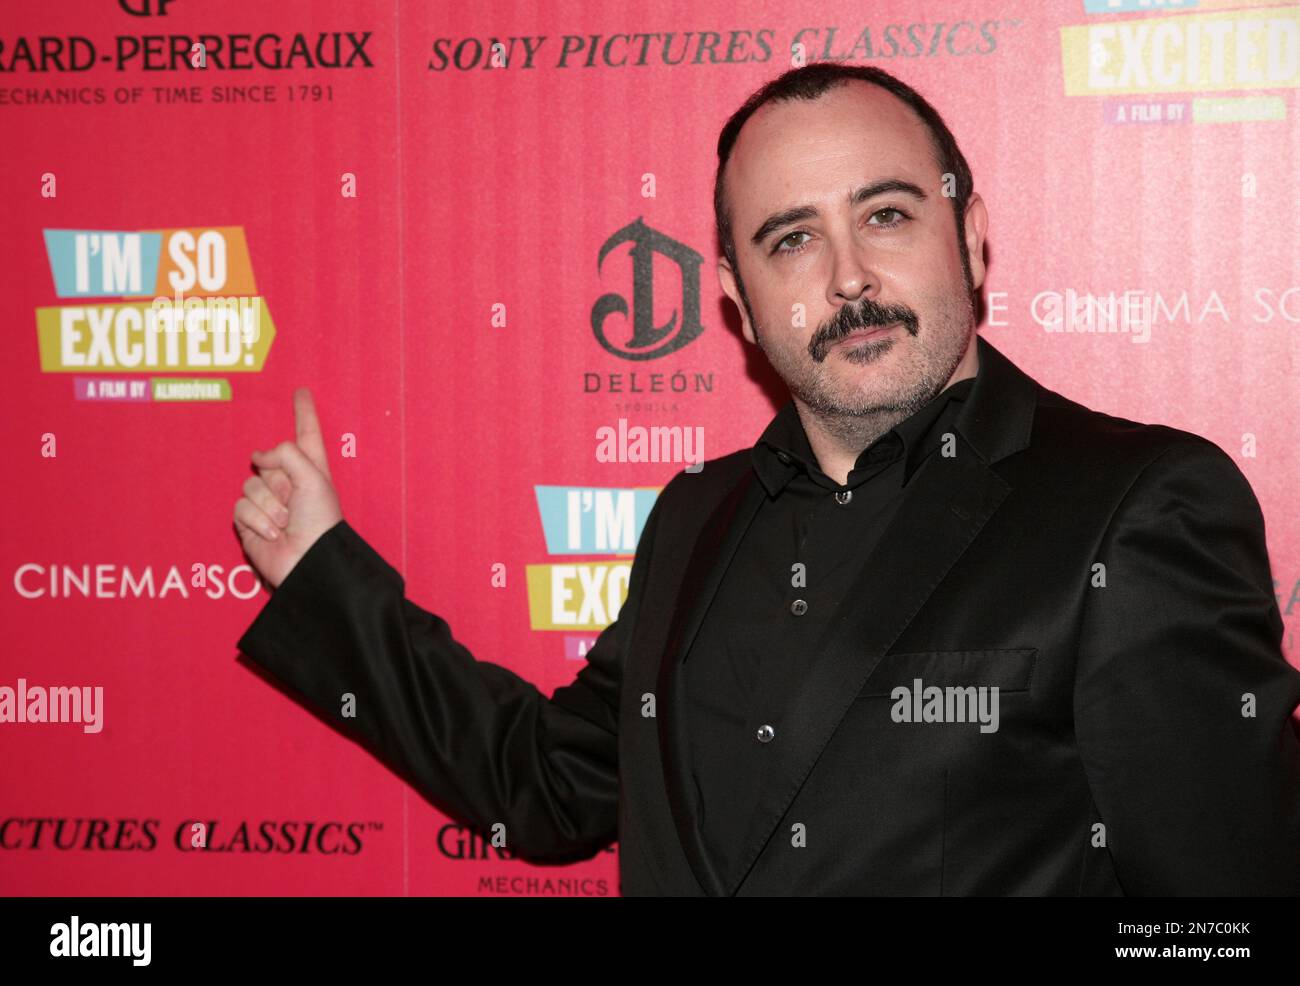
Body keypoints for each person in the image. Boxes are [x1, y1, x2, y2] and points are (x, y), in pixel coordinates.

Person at [234, 63, 1300, 895]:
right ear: (737, 299)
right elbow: (549, 786)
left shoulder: (1132, 506)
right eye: (791, 239)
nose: (847, 275)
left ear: (970, 238)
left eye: (885, 215)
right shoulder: (694, 518)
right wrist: (327, 577)